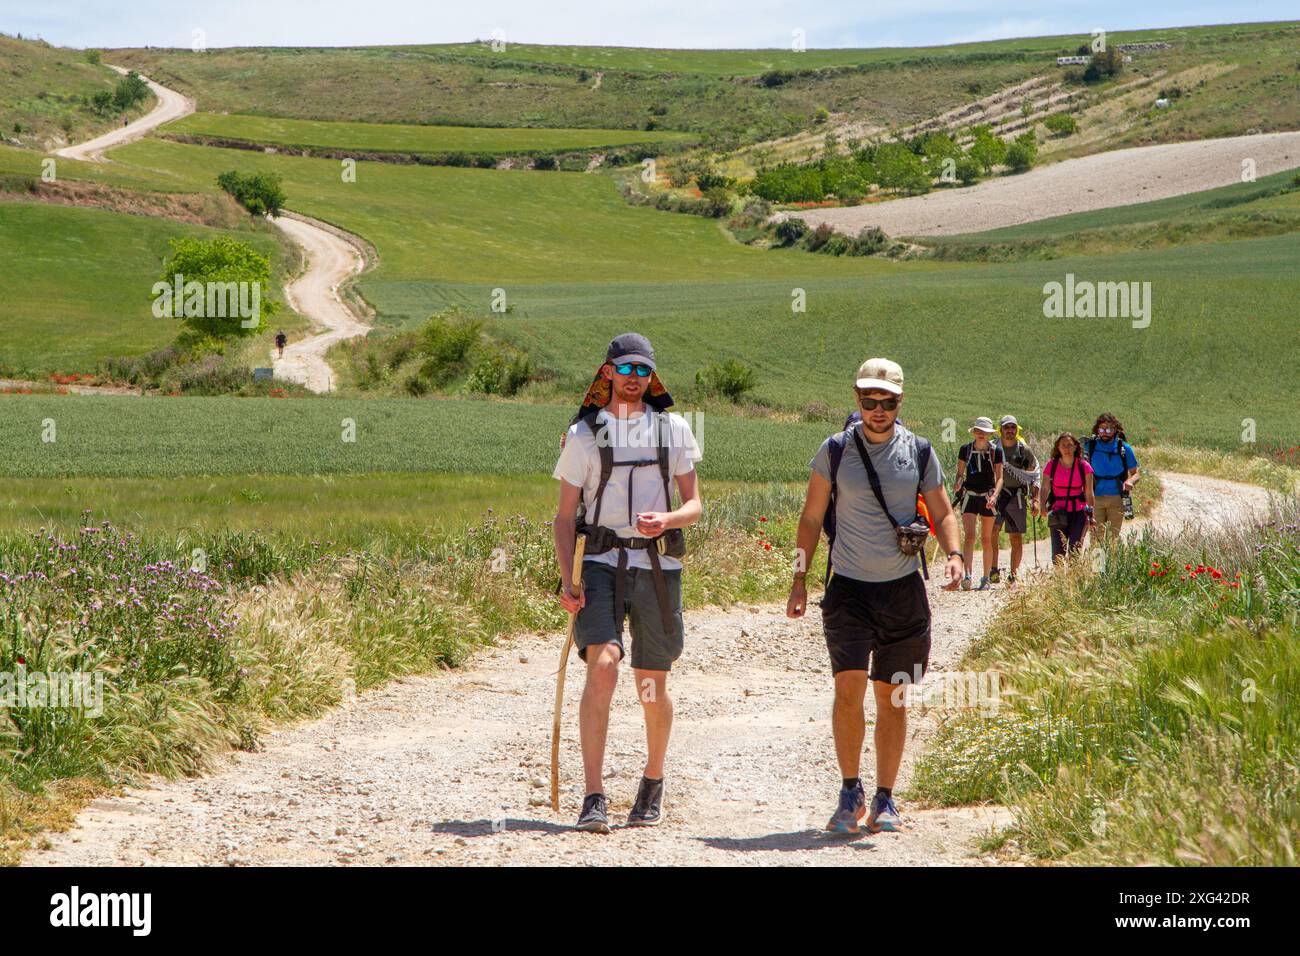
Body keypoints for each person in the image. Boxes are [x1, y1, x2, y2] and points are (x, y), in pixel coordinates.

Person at [786, 358, 962, 836]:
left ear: (900, 403)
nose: (877, 410)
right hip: (847, 590)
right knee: (848, 691)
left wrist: (954, 553)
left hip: (903, 592)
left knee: (894, 697)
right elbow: (809, 518)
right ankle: (850, 791)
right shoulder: (835, 450)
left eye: (886, 402)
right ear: (857, 399)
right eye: (869, 401)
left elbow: (944, 511)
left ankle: (885, 798)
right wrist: (799, 579)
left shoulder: (921, 452)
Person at [553, 332, 702, 833]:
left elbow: (695, 506)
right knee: (603, 667)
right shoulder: (583, 435)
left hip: (658, 566)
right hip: (598, 562)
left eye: (644, 371)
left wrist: (668, 519)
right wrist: (565, 580)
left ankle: (652, 781)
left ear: (651, 376)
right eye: (627, 370)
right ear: (609, 372)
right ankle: (593, 795)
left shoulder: (674, 429)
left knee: (650, 685)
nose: (635, 379)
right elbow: (563, 517)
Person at [953, 417, 1004, 591]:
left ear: (990, 434)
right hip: (970, 496)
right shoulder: (965, 450)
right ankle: (967, 576)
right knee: (969, 536)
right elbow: (960, 473)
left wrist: (995, 496)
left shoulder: (995, 451)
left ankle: (985, 578)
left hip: (988, 497)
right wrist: (958, 483)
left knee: (986, 539)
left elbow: (1000, 478)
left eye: (984, 432)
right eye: (978, 431)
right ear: (974, 432)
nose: (981, 434)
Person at [989, 415, 1039, 587]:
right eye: (1006, 428)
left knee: (1015, 537)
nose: (1010, 431)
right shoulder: (993, 448)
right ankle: (993, 570)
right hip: (996, 495)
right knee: (992, 533)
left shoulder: (1023, 450)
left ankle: (1013, 576)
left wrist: (1035, 500)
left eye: (1013, 428)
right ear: (1000, 429)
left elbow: (1033, 475)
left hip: (1017, 496)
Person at [1083, 413, 1140, 546]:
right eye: (1102, 429)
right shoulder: (1089, 447)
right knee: (1096, 538)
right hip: (1095, 498)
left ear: (1115, 430)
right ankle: (1097, 566)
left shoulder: (1124, 448)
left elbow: (1136, 472)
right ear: (1097, 429)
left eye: (1109, 429)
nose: (1105, 432)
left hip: (1117, 498)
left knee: (1113, 538)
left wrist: (1130, 481)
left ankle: (1111, 566)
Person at [1038, 432, 1095, 562]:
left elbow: (1089, 492)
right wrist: (1042, 505)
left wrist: (1092, 514)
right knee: (1058, 553)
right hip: (1058, 512)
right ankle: (1060, 581)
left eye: (1070, 445)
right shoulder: (1051, 465)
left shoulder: (1084, 466)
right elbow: (1045, 488)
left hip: (1079, 513)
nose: (1066, 448)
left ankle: (1072, 580)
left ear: (1075, 447)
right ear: (1058, 447)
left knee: (1075, 550)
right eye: (1063, 445)